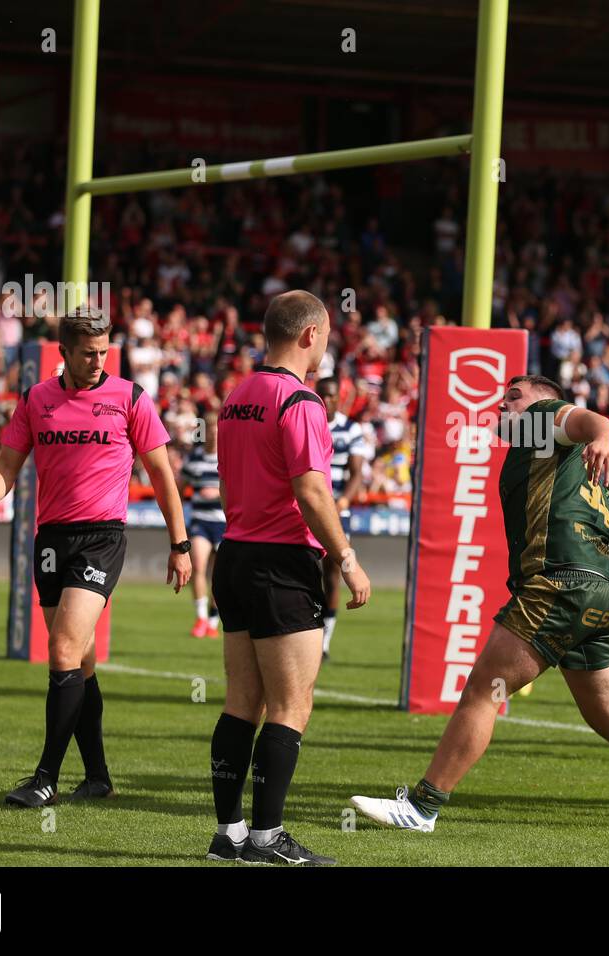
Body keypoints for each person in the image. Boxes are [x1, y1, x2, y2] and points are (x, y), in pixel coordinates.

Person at [350, 375, 609, 833]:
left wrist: (603, 434)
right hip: (604, 598)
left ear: (543, 403)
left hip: (560, 585)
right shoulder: (574, 470)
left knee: (483, 690)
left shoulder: (542, 420)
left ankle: (422, 807)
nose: (504, 404)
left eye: (514, 396)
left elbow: (587, 421)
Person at [0, 309, 192, 807]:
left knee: (64, 650)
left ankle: (45, 777)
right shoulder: (35, 400)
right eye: (88, 353)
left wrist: (179, 546)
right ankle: (98, 776)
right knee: (81, 661)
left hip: (102, 538)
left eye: (104, 352)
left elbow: (162, 477)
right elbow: (8, 462)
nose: (98, 361)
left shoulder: (130, 398)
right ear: (64, 353)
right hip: (51, 539)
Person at [206, 291, 371, 866]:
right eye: (327, 334)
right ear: (309, 335)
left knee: (239, 702)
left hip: (236, 555)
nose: (328, 345)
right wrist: (346, 558)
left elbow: (228, 486)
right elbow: (312, 490)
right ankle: (266, 838)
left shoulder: (237, 396)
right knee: (290, 706)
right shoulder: (301, 401)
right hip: (281, 562)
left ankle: (228, 834)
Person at [315, 376, 374, 662]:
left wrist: (343, 501)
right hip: (309, 507)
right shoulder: (308, 420)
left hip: (338, 510)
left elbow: (357, 473)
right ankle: (307, 631)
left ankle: (324, 640)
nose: (327, 401)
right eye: (323, 395)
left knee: (332, 573)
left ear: (340, 398)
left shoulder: (351, 429)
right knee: (305, 569)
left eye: (332, 396)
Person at [181, 415, 224, 639]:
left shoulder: (228, 457)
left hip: (223, 522)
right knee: (198, 566)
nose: (215, 436)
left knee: (219, 575)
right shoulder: (195, 458)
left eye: (218, 431)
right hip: (200, 520)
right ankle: (200, 617)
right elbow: (180, 485)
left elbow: (239, 488)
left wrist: (217, 492)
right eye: (211, 432)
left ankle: (213, 620)